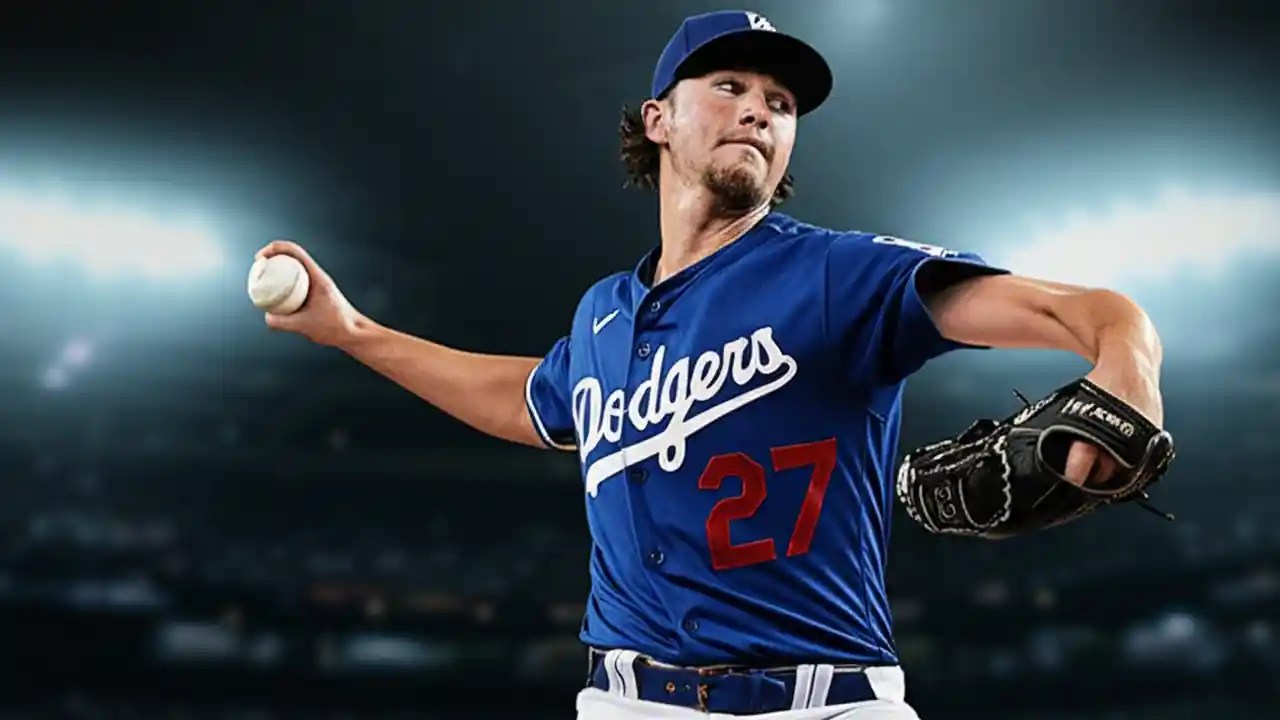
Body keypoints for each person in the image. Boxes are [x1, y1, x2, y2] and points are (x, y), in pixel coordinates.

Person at [255, 10, 1164, 719]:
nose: (759, 110)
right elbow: (526, 399)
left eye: (781, 104)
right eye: (729, 85)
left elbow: (1075, 309)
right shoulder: (603, 316)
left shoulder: (838, 276)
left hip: (823, 703)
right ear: (658, 119)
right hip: (621, 700)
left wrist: (1126, 356)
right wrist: (351, 332)